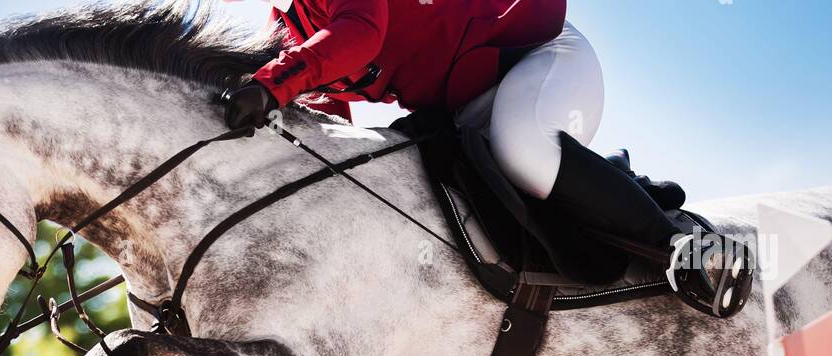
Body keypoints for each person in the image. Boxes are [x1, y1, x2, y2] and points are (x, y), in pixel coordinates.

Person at [223, 0, 751, 317]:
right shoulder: (289, 27)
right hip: (470, 105)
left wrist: (272, 86)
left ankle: (686, 245)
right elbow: (326, 122)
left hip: (539, 55)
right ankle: (610, 189)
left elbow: (358, 37)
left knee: (525, 150)